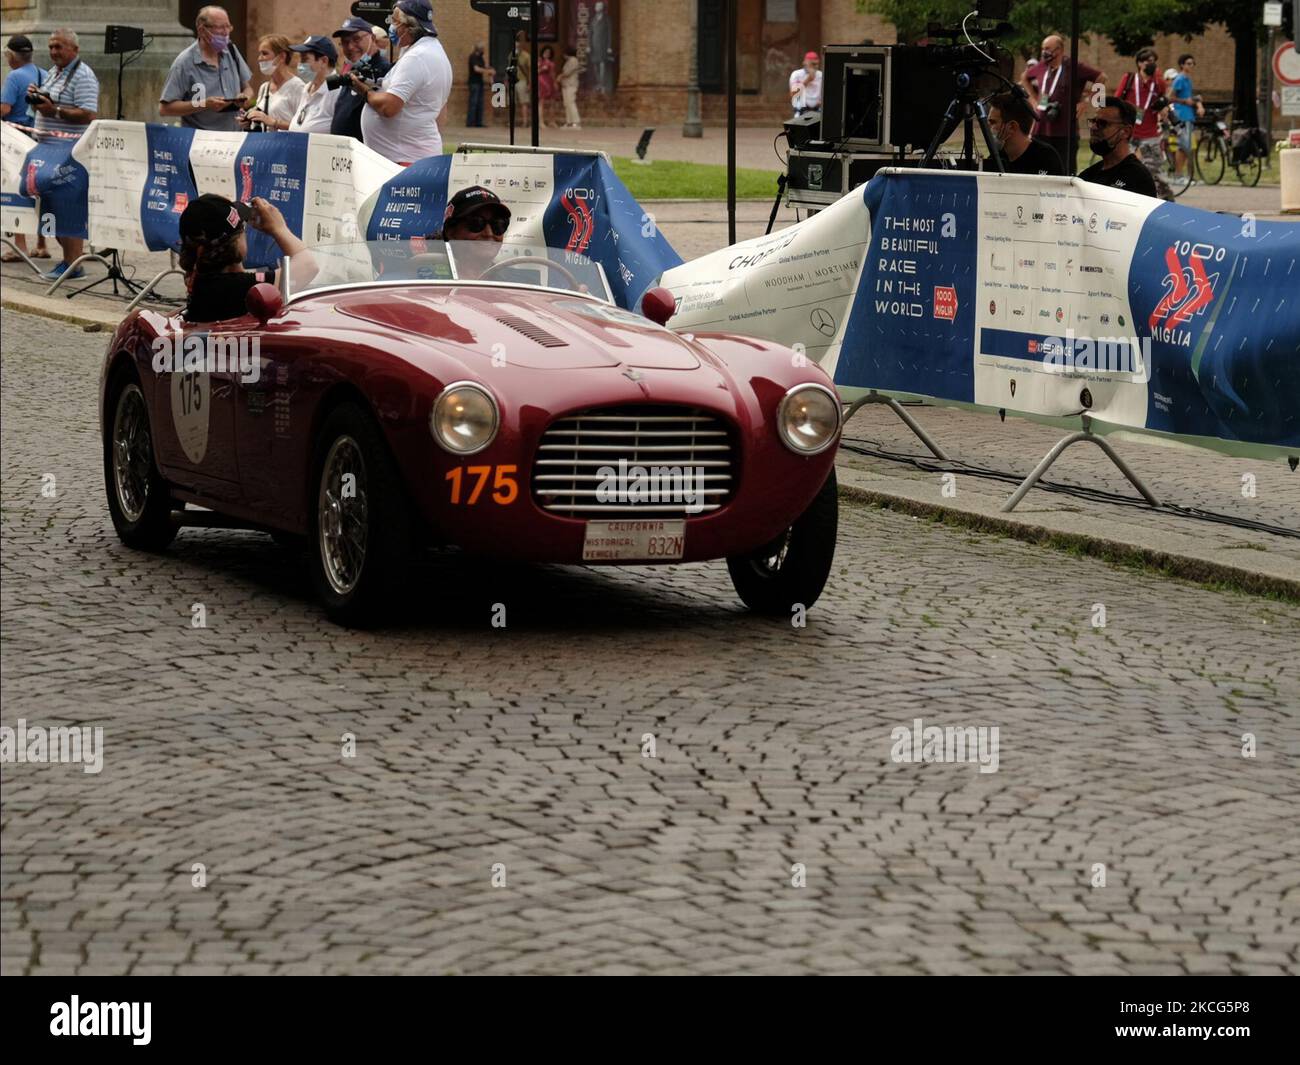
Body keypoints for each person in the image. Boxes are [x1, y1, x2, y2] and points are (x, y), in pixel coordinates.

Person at [179, 193, 315, 322]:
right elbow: (309, 266)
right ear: (234, 244)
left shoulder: (201, 280)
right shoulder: (238, 288)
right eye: (242, 228)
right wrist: (279, 228)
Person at [30, 29, 98, 281]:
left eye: (59, 47)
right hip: (49, 153)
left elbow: (88, 113)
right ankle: (69, 260)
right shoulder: (53, 73)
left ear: (75, 49)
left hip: (70, 154)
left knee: (68, 208)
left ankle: (73, 264)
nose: (53, 52)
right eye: (51, 47)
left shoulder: (84, 76)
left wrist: (54, 111)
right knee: (53, 208)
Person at [355, 1, 453, 165]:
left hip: (404, 160)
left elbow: (389, 108)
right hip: (413, 156)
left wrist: (363, 90)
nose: (391, 27)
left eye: (395, 21)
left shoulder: (417, 57)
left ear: (410, 26)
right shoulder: (433, 51)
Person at [1020, 34, 1104, 174]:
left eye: (1047, 48)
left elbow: (1102, 77)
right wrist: (1033, 100)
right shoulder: (1042, 67)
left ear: (1059, 50)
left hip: (1065, 132)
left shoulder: (1074, 66)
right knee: (1038, 170)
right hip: (1041, 129)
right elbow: (1024, 78)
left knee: (1065, 172)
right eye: (1042, 48)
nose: (1043, 52)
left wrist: (1086, 102)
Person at [159, 6, 252, 131]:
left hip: (234, 138)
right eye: (220, 27)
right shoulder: (184, 63)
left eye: (228, 26)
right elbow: (165, 109)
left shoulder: (231, 50)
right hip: (201, 141)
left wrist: (244, 98)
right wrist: (204, 104)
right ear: (202, 30)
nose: (226, 32)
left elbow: (248, 88)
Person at [1, 35, 48, 261]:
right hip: (40, 139)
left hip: (18, 141)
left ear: (11, 56)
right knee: (40, 192)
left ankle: (19, 245)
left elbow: (5, 109)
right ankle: (41, 244)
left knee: (15, 189)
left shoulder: (14, 76)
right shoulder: (43, 73)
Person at [1116, 46, 1172, 200]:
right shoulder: (1128, 79)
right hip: (1129, 133)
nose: (1152, 64)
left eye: (1154, 61)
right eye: (1148, 62)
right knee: (1124, 169)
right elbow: (1117, 100)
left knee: (1155, 172)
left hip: (1150, 134)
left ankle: (1167, 203)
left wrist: (1165, 108)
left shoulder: (1158, 82)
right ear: (1139, 63)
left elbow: (1165, 100)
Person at [1078, 97, 1157, 197]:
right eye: (1093, 122)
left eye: (1102, 123)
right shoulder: (1089, 175)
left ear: (1125, 132)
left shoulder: (1138, 178)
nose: (1093, 127)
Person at [330, 17, 390, 142]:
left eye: (356, 39)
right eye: (345, 42)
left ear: (372, 38)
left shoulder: (384, 71)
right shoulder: (354, 70)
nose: (350, 47)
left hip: (367, 154)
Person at [435, 185, 510, 280]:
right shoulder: (424, 275)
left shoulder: (514, 283)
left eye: (498, 224)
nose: (489, 233)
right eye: (476, 222)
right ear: (450, 231)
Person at [985, 92, 1064, 175]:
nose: (987, 127)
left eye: (992, 122)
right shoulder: (995, 159)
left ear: (1012, 127)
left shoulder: (1047, 158)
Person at [239, 35, 305, 133]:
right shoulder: (264, 87)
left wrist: (274, 122)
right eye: (260, 53)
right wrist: (248, 121)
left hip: (288, 145)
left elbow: (303, 126)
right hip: (267, 143)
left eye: (264, 53)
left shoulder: (298, 87)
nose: (259, 58)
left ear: (282, 56)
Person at [286, 36, 339, 134]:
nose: (299, 64)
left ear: (324, 61)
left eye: (305, 59)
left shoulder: (337, 91)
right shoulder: (307, 88)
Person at [1169, 53, 1203, 183]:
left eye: (1193, 63)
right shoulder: (1179, 79)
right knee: (1182, 147)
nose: (1191, 66)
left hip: (1188, 116)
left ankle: (1184, 176)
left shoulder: (1188, 79)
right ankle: (1178, 175)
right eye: (1188, 63)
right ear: (1182, 65)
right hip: (1181, 115)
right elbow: (1170, 97)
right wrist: (1184, 101)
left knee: (1186, 147)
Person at [466, 42, 492, 128]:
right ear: (479, 49)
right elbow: (476, 69)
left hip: (480, 83)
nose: (483, 51)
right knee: (473, 103)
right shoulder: (473, 57)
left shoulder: (480, 58)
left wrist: (490, 69)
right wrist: (487, 71)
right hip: (474, 83)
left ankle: (478, 122)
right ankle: (470, 122)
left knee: (480, 103)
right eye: (482, 49)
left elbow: (484, 66)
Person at [789, 51, 822, 116]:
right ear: (804, 63)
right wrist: (808, 80)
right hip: (802, 109)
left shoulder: (821, 75)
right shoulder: (796, 74)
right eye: (811, 64)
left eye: (816, 64)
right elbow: (794, 94)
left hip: (817, 109)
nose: (814, 66)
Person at [558, 46, 581, 129]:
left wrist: (560, 76)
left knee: (571, 102)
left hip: (571, 84)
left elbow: (567, 72)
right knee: (567, 104)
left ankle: (576, 121)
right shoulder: (568, 61)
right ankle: (569, 122)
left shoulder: (573, 60)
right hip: (566, 85)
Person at [513, 30, 531, 130]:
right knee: (512, 102)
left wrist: (529, 83)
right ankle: (514, 121)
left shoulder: (526, 56)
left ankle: (525, 121)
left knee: (524, 102)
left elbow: (529, 70)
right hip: (513, 81)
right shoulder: (512, 54)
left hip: (522, 81)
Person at [538, 45, 557, 128]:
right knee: (542, 102)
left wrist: (555, 82)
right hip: (542, 81)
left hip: (550, 81)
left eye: (549, 53)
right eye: (545, 52)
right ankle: (541, 122)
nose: (547, 54)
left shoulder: (551, 62)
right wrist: (543, 68)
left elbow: (553, 73)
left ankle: (551, 121)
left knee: (552, 103)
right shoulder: (540, 61)